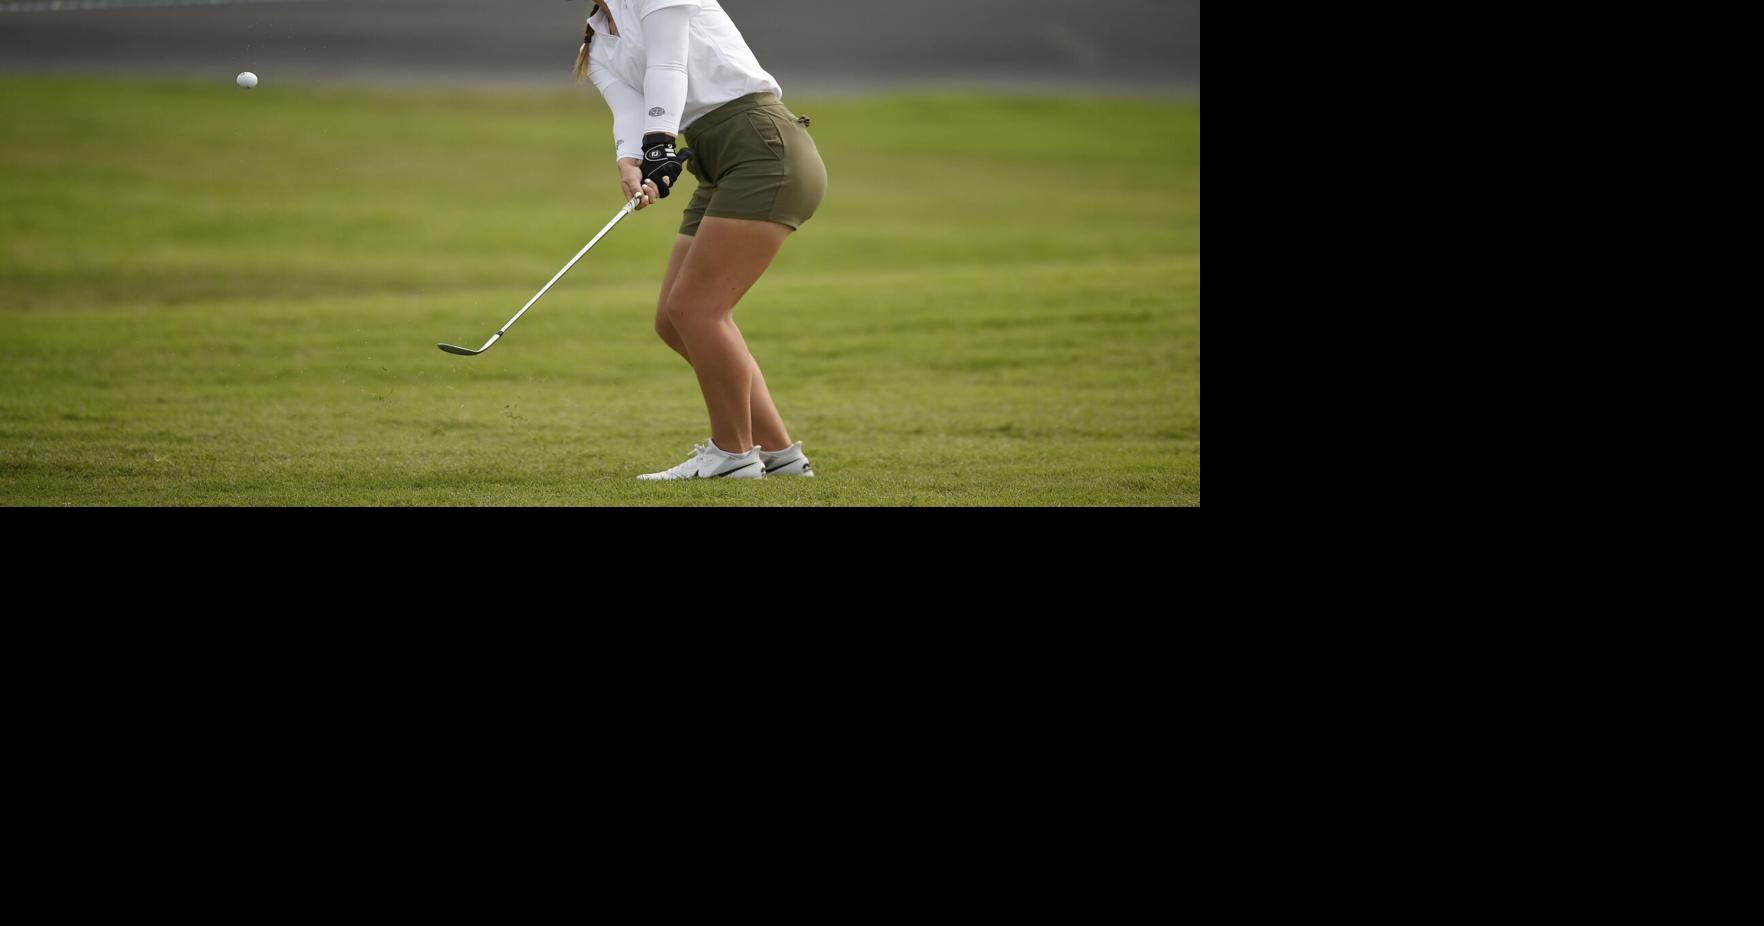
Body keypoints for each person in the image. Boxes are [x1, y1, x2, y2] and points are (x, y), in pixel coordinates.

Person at [575, 0, 827, 480]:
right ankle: (778, 454)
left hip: (760, 147)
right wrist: (631, 158)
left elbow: (669, 63)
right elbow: (629, 106)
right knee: (675, 318)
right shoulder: (597, 38)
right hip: (716, 161)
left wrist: (659, 144)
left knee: (697, 310)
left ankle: (732, 454)